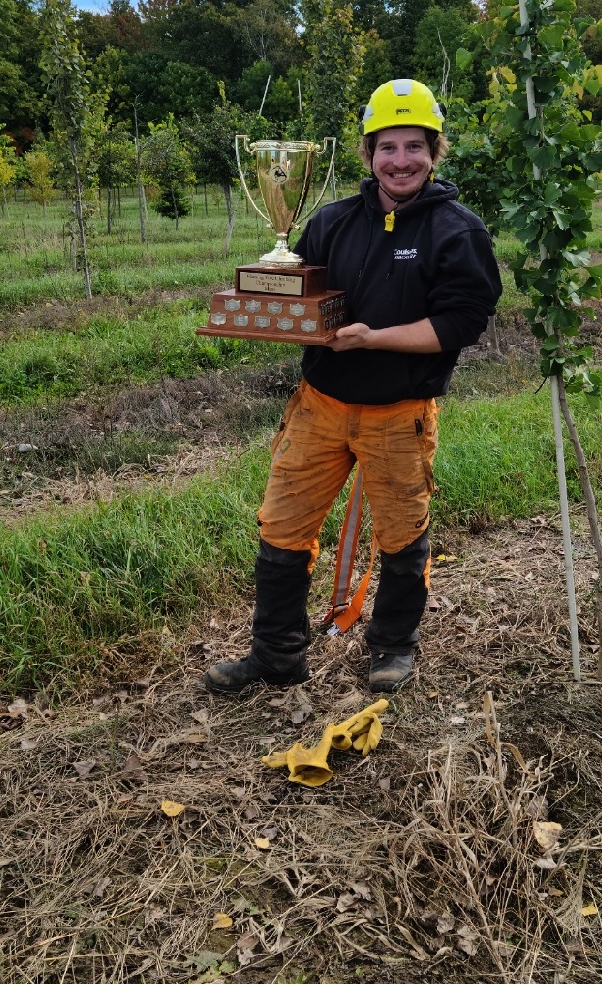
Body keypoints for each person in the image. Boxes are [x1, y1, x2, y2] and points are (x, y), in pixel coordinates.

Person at [205, 79, 503, 695]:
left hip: (399, 412)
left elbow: (462, 322)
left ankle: (392, 647)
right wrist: (268, 312)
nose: (401, 161)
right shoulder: (332, 220)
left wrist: (375, 338)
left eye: (414, 146)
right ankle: (276, 654)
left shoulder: (457, 230)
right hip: (320, 405)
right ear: (368, 154)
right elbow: (304, 294)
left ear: (434, 151)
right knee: (281, 528)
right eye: (387, 146)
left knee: (402, 535)